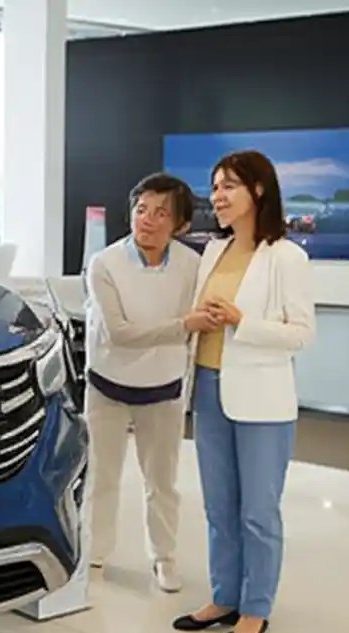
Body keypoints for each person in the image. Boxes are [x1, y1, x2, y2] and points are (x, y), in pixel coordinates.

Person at [172, 150, 315, 633]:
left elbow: (301, 334)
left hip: (262, 399)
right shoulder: (213, 251)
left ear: (258, 190)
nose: (217, 196)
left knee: (257, 510)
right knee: (219, 506)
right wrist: (202, 319)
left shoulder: (286, 257)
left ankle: (256, 607)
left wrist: (240, 322)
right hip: (209, 388)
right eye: (214, 187)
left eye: (228, 186)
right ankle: (224, 596)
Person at [84, 172, 217, 592]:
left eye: (161, 213)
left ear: (180, 225)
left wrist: (183, 328)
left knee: (162, 482)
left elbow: (194, 328)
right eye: (142, 209)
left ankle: (164, 557)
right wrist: (183, 325)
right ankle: (94, 553)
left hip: (163, 389)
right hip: (107, 384)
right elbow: (120, 334)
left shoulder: (193, 266)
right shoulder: (105, 263)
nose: (147, 220)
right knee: (101, 476)